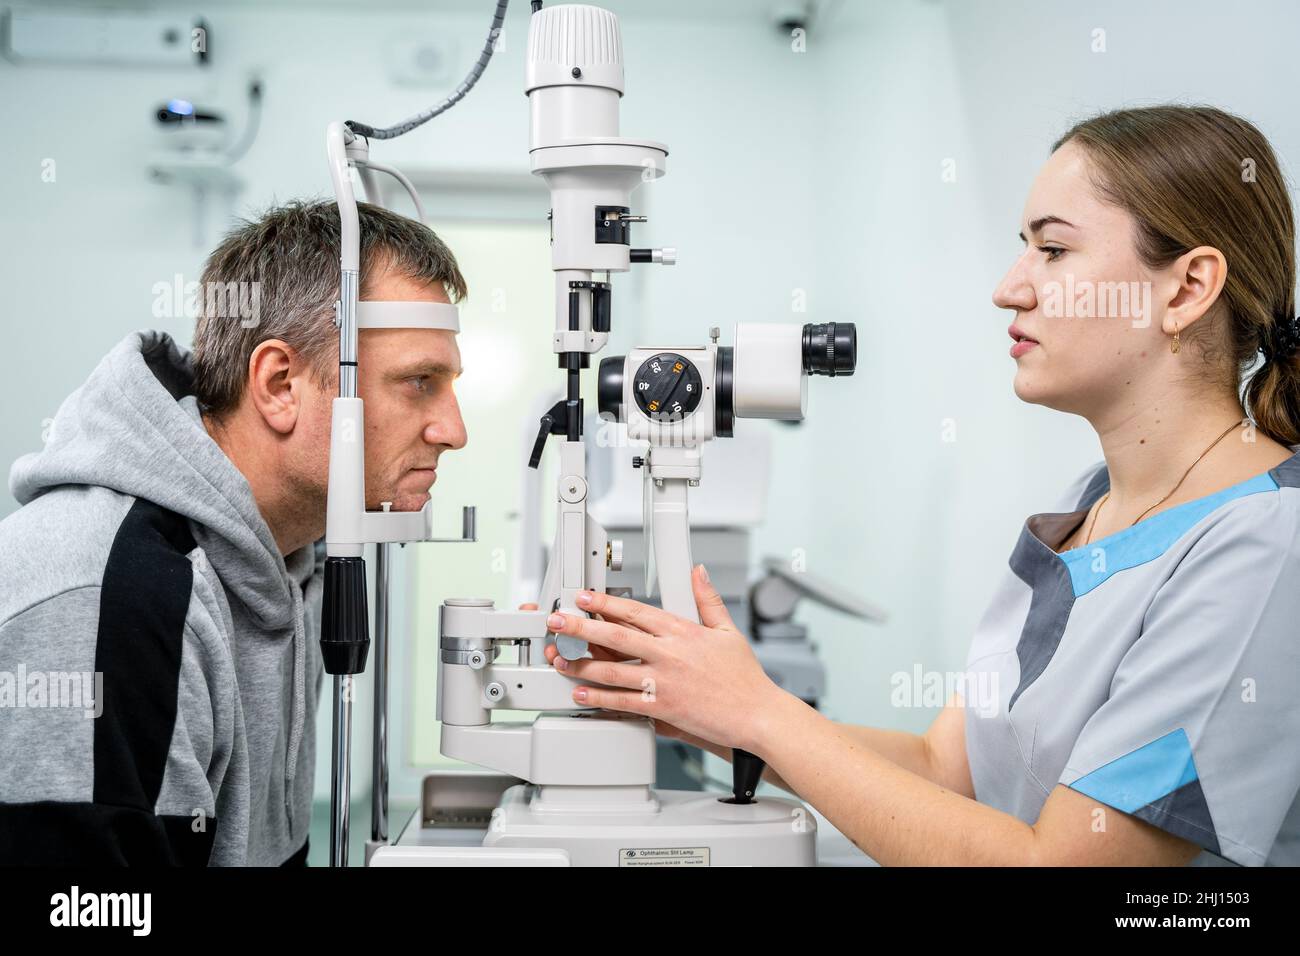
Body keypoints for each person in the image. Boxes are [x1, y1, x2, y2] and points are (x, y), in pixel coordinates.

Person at [542, 105, 1300, 865]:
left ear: (1187, 289)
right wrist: (709, 709)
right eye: (1022, 250)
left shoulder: (1263, 546)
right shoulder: (1093, 503)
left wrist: (764, 713)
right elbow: (945, 774)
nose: (1011, 289)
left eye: (1054, 250)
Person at [0, 200, 469, 865]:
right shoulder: (114, 594)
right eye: (419, 382)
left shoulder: (287, 564)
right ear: (280, 385)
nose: (454, 430)